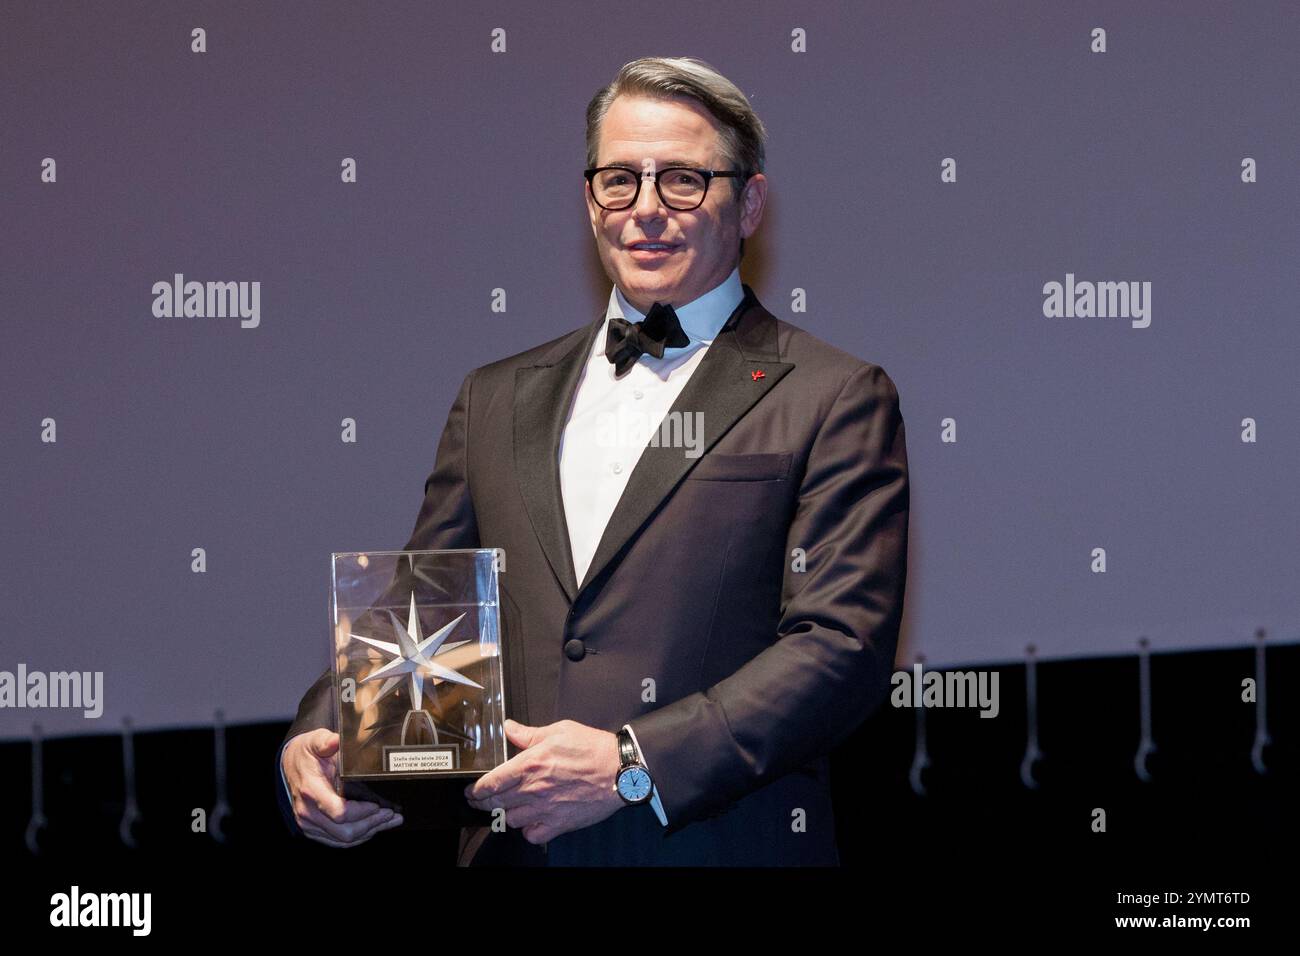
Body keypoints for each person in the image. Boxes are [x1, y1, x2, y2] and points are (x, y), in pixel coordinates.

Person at [277, 55, 909, 865]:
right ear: (589, 199)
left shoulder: (834, 396)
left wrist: (633, 766)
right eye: (620, 180)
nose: (647, 210)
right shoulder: (494, 398)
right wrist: (318, 734)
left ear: (748, 202)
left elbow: (839, 649)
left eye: (682, 179)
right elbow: (423, 609)